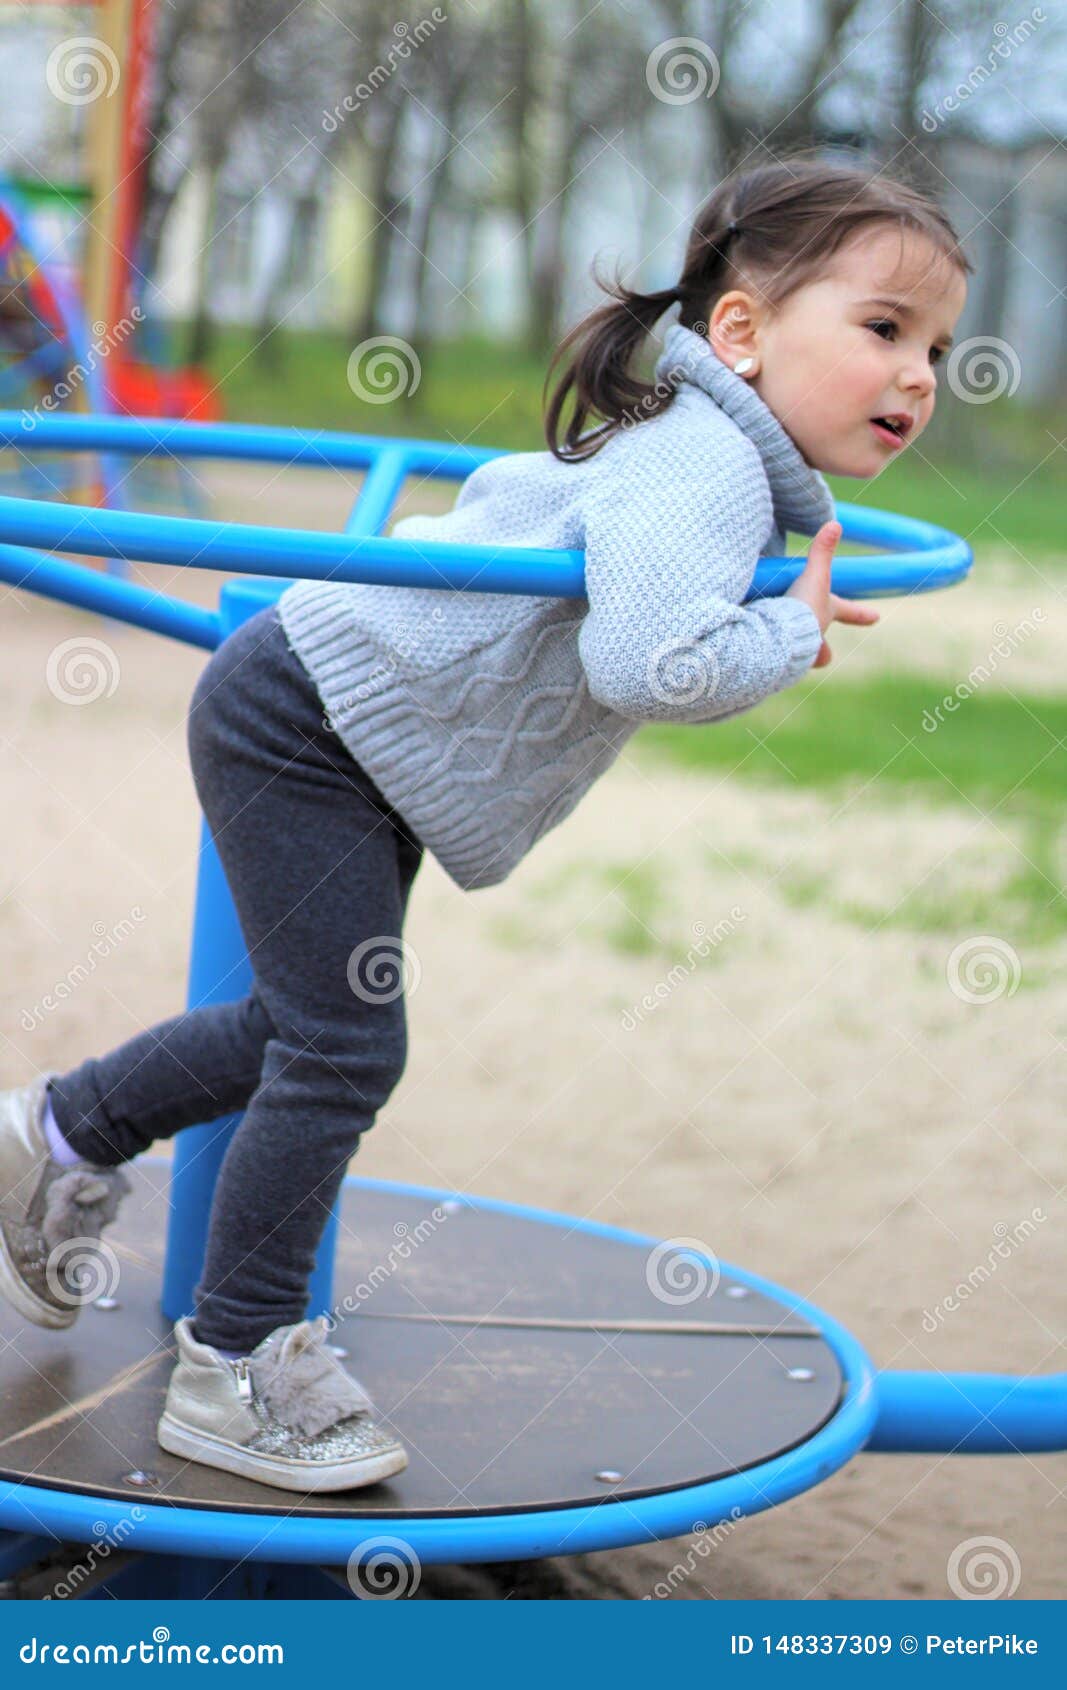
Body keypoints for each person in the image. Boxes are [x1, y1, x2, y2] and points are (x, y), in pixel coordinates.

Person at [0, 150, 971, 1494]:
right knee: (345, 1046)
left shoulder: (708, 454)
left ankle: (52, 1137)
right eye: (884, 328)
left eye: (938, 347)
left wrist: (762, 608)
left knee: (301, 1024)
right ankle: (237, 1363)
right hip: (315, 723)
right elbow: (648, 665)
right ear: (742, 330)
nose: (921, 375)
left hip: (351, 726)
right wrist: (785, 633)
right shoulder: (705, 470)